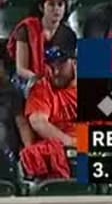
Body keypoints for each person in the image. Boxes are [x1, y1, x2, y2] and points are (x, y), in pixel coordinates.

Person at [19, 41, 75, 181]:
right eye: (51, 66)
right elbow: (38, 122)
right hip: (64, 149)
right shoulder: (43, 88)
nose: (55, 72)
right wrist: (69, 141)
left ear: (74, 62)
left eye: (61, 66)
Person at [8, 0, 76, 98]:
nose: (56, 9)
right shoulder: (27, 29)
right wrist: (39, 80)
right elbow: (21, 69)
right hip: (28, 79)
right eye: (51, 5)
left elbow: (67, 67)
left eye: (60, 5)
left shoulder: (68, 34)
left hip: (56, 79)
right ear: (41, 7)